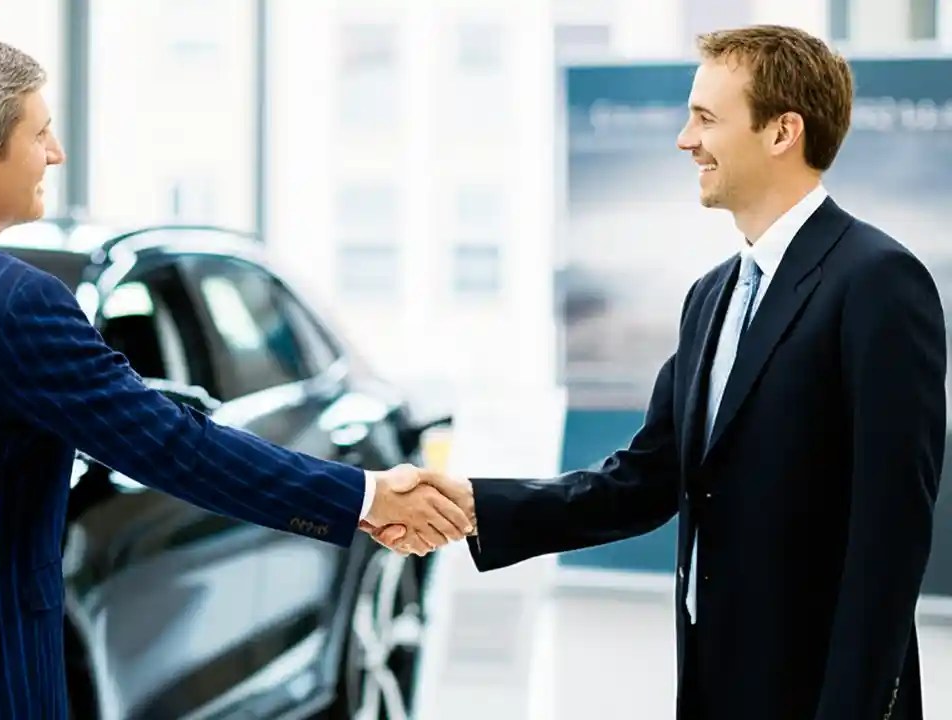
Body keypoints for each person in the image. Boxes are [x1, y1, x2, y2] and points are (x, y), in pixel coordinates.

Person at [0, 37, 472, 720]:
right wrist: (363, 496)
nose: (55, 153)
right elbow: (172, 446)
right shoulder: (15, 301)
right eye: (39, 134)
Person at [365, 24, 945, 720]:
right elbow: (644, 480)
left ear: (782, 131)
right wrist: (472, 504)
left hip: (821, 694)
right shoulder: (711, 295)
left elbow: (891, 534)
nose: (685, 139)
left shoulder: (879, 281)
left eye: (705, 118)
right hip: (713, 681)